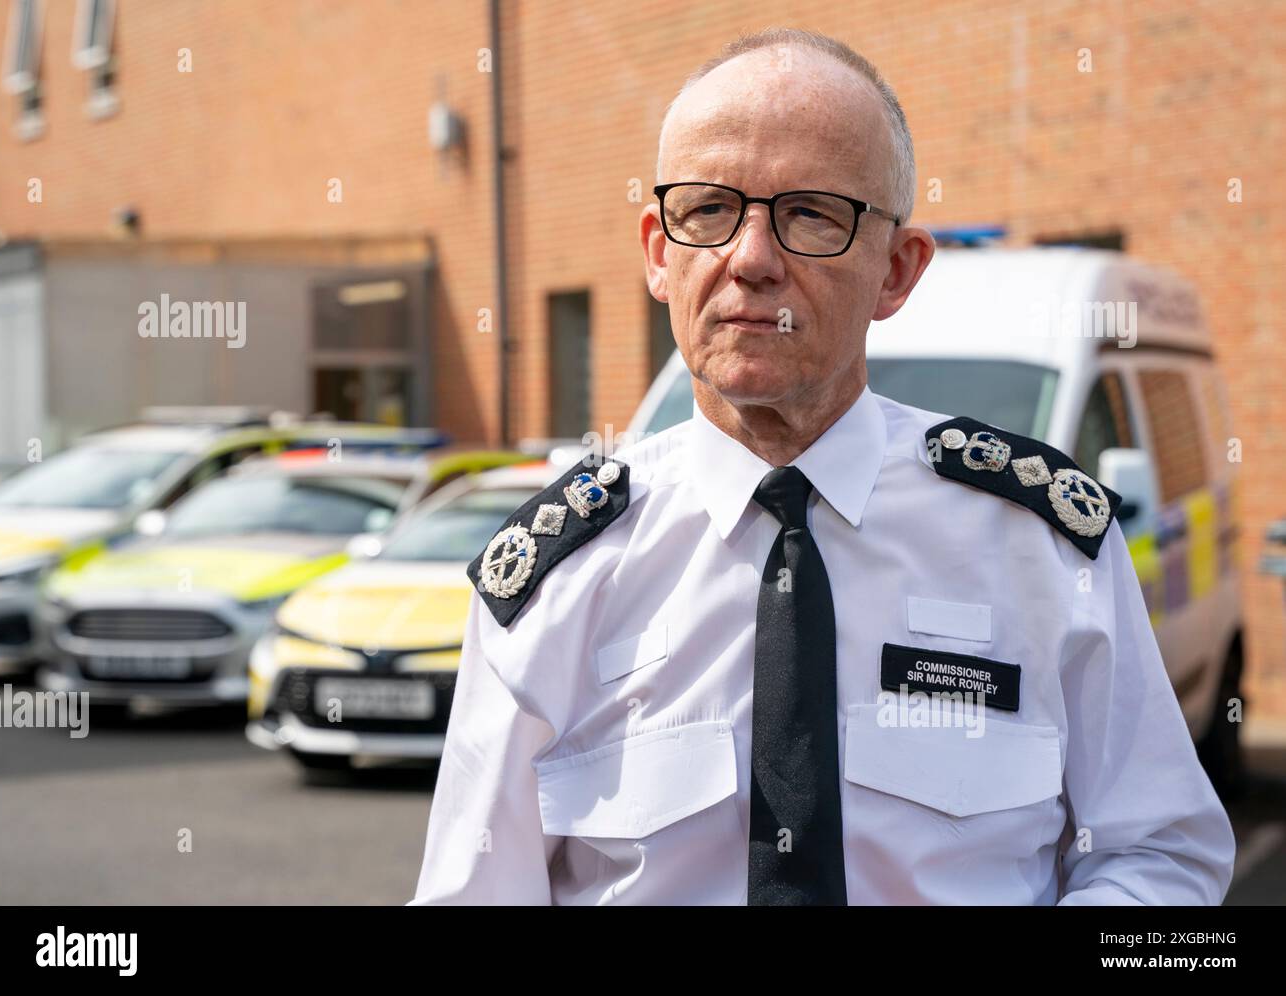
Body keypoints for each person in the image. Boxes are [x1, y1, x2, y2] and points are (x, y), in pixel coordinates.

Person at [408, 27, 1235, 905]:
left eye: (810, 214)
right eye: (708, 209)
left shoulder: (1045, 550)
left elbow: (1163, 861)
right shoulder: (557, 582)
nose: (751, 259)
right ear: (659, 251)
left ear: (897, 270)